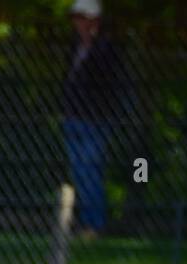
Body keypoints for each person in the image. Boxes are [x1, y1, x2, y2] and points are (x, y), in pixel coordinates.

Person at [62, 0, 129, 238]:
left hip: (96, 120)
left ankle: (95, 223)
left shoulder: (106, 49)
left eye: (82, 18)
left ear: (94, 21)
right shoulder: (74, 47)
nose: (77, 23)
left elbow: (112, 85)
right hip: (73, 117)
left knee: (90, 170)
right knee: (79, 171)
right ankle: (85, 222)